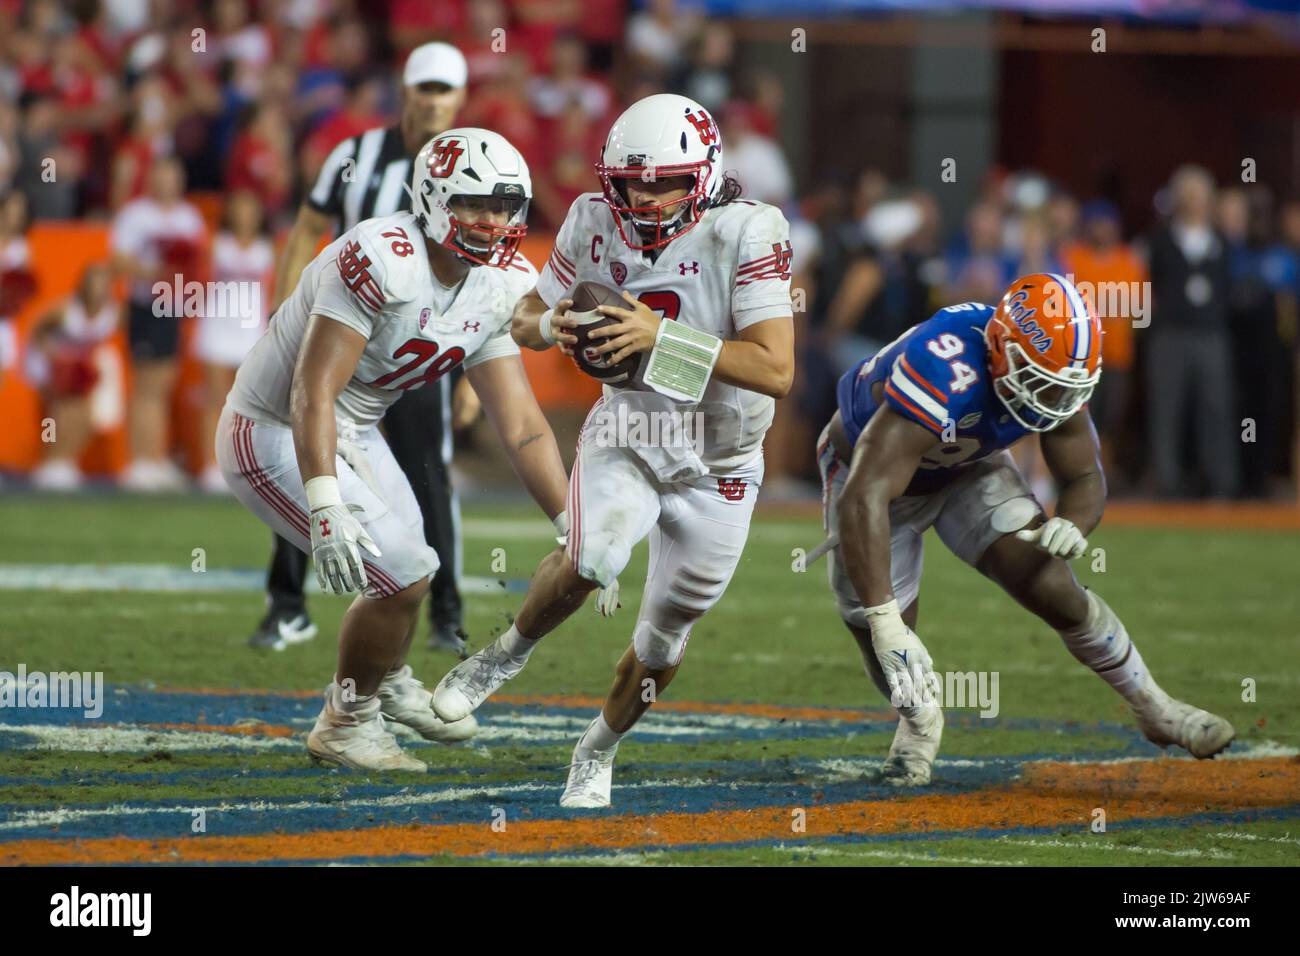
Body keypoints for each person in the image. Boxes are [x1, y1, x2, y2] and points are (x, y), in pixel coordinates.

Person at [429, 94, 796, 809]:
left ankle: (596, 750)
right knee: (593, 558)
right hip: (630, 428)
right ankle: (502, 657)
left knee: (663, 642)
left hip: (721, 457)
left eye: (667, 182)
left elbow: (776, 370)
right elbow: (529, 314)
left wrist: (661, 339)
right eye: (635, 181)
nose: (648, 198)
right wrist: (551, 327)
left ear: (706, 175)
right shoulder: (594, 219)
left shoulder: (750, 230)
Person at [216, 128, 569, 771]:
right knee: (403, 572)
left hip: (353, 430)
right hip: (271, 426)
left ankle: (385, 674)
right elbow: (311, 389)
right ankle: (346, 721)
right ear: (433, 200)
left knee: (418, 566)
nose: (492, 222)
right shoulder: (383, 256)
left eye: (505, 206)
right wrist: (325, 504)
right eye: (473, 204)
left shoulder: (500, 284)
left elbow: (521, 424)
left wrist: (574, 524)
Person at [816, 273, 1234, 786]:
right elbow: (867, 492)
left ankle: (1155, 706)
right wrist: (884, 620)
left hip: (968, 465)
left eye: (1061, 387)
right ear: (998, 348)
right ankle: (918, 727)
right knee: (885, 635)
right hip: (871, 477)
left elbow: (1084, 476)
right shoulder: (945, 366)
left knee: (1048, 581)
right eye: (1040, 382)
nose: (1049, 399)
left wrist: (1073, 524)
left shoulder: (1050, 369)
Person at [249, 42, 480, 653]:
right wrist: (283, 312)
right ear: (405, 90)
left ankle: (445, 613)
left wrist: (474, 377)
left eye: (444, 89)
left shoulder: (469, 168)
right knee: (305, 457)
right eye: (425, 88)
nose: (433, 100)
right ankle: (287, 605)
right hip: (344, 335)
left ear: (460, 97)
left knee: (429, 476)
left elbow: (480, 275)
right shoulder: (354, 156)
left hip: (421, 349)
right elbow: (307, 227)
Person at [109, 156, 207, 492]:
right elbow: (118, 259)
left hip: (173, 305)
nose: (168, 182)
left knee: (164, 383)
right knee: (146, 383)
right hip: (147, 303)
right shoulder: (136, 215)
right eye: (162, 175)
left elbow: (197, 260)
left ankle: (156, 456)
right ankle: (139, 460)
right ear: (151, 178)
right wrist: (156, 272)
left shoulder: (188, 216)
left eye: (174, 175)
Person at [194, 189, 274, 494]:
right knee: (214, 399)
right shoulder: (217, 243)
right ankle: (210, 465)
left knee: (248, 404)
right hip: (218, 322)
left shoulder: (268, 247)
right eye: (239, 209)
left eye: (250, 209)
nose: (245, 216)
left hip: (251, 327)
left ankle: (243, 464)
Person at [25, 263, 120, 491]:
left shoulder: (111, 312)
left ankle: (65, 460)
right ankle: (49, 462)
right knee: (57, 415)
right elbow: (38, 329)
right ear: (84, 285)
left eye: (104, 283)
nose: (99, 289)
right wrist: (53, 356)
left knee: (86, 417)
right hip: (50, 362)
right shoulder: (66, 310)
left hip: (80, 365)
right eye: (95, 283)